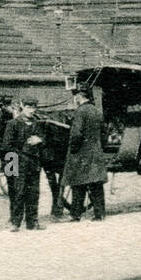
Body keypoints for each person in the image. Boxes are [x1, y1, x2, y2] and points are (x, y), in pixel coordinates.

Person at [62, 89, 107, 221]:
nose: (75, 99)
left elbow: (76, 134)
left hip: (82, 153)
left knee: (77, 184)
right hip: (95, 152)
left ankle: (75, 215)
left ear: (79, 97)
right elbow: (104, 131)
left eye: (75, 96)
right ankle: (100, 214)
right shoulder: (96, 111)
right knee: (96, 184)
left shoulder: (80, 111)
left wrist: (73, 149)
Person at [2, 98, 45, 231]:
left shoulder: (37, 124)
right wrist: (24, 150)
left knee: (34, 192)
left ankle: (32, 222)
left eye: (34, 107)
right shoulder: (13, 124)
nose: (32, 110)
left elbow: (45, 142)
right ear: (22, 107)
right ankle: (15, 222)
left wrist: (40, 140)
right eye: (28, 107)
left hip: (34, 163)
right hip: (18, 163)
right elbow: (6, 146)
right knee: (18, 192)